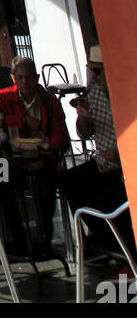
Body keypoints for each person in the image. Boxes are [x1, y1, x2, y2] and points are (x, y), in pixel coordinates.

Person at [0, 57, 67, 255]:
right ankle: (14, 240)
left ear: (36, 77)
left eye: (28, 77)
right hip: (11, 159)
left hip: (41, 158)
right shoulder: (3, 97)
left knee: (43, 183)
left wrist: (46, 156)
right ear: (13, 78)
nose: (24, 82)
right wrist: (21, 120)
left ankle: (42, 240)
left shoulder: (49, 101)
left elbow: (60, 135)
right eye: (19, 77)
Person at [59, 46, 133, 256]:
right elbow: (83, 134)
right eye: (91, 71)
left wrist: (121, 153)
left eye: (98, 71)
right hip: (105, 162)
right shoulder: (94, 95)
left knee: (112, 190)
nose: (94, 76)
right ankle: (105, 240)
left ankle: (123, 248)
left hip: (127, 163)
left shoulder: (128, 92)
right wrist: (82, 117)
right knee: (68, 180)